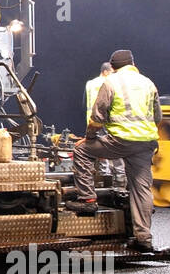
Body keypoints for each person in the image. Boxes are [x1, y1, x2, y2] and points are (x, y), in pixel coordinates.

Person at [68, 49, 163, 253]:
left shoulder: (111, 82)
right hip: (146, 142)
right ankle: (144, 238)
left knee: (82, 150)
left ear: (112, 67)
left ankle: (88, 200)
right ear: (133, 63)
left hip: (120, 140)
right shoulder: (148, 82)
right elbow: (158, 117)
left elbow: (96, 118)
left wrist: (90, 139)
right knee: (141, 188)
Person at [85, 62, 126, 186]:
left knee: (100, 151)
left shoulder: (90, 83)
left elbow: (85, 103)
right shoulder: (111, 83)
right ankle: (119, 178)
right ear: (106, 72)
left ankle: (103, 177)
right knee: (115, 149)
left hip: (93, 122)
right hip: (108, 121)